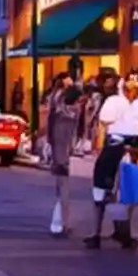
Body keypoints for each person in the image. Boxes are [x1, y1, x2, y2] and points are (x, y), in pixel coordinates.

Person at [87, 71, 138, 249]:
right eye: (128, 85)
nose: (131, 90)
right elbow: (103, 126)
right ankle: (96, 232)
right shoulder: (113, 101)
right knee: (101, 189)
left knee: (129, 192)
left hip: (133, 148)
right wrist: (100, 147)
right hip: (113, 146)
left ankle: (124, 230)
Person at [46, 73, 83, 236]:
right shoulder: (71, 111)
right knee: (62, 185)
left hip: (60, 146)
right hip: (63, 146)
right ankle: (61, 221)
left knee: (62, 185)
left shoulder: (61, 110)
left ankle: (61, 222)